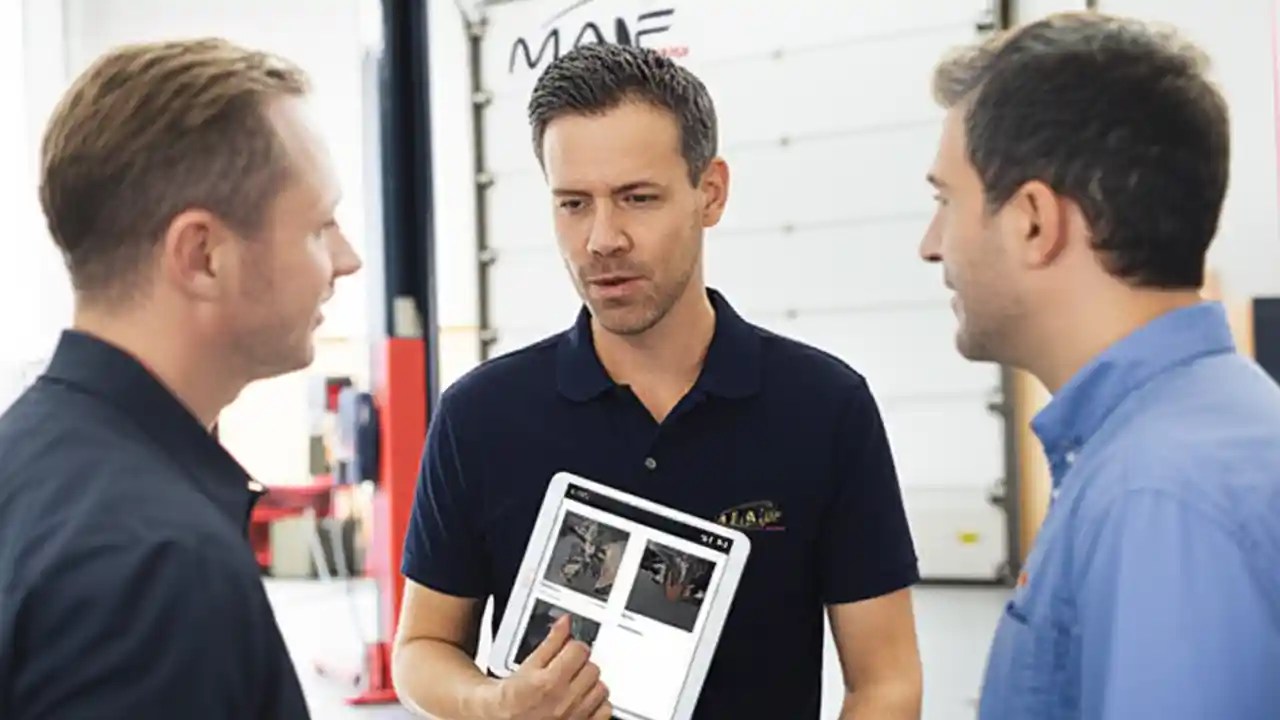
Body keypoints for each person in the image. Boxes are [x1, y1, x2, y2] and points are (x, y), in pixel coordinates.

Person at [391, 42, 922, 720]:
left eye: (637, 198)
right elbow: (422, 647)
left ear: (711, 192)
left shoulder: (825, 409)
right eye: (573, 203)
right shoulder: (481, 415)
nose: (602, 238)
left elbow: (886, 681)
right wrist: (494, 703)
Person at [921, 11, 1280, 720]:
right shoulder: (1198, 436)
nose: (932, 245)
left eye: (945, 202)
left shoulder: (1163, 496)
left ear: (1032, 220)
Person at [0, 38, 362, 719]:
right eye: (320, 226)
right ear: (202, 256)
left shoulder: (27, 465)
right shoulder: (156, 566)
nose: (347, 260)